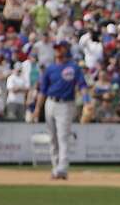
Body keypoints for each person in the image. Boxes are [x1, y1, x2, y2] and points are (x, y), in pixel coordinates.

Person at [33, 40, 87, 180]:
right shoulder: (50, 68)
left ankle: (62, 169)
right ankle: (56, 167)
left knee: (63, 137)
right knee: (53, 138)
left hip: (66, 104)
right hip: (50, 103)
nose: (58, 50)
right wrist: (37, 108)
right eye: (56, 48)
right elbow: (43, 91)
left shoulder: (73, 67)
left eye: (60, 48)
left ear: (66, 49)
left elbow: (82, 85)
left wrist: (87, 101)